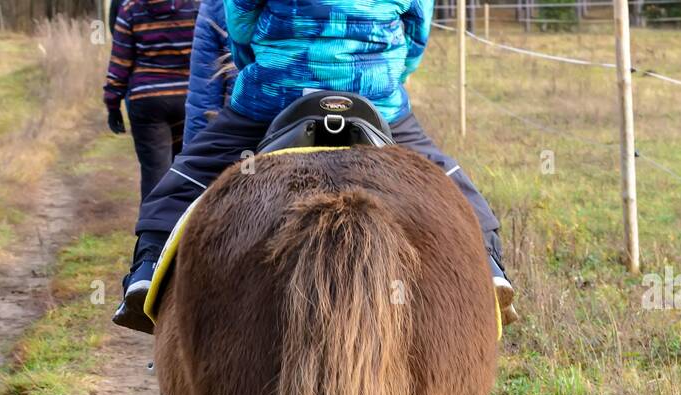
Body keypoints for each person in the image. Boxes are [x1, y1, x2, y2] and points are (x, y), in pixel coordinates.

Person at [112, 0, 514, 334]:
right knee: (450, 182)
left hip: (272, 98)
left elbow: (239, 22)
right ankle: (488, 264)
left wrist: (256, 61)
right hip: (378, 100)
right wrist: (391, 75)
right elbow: (417, 36)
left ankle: (147, 267)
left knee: (189, 173)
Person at [104, 0, 198, 203]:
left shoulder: (131, 8)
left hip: (147, 100)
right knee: (188, 172)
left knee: (155, 175)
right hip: (188, 97)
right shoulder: (196, 5)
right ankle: (185, 231)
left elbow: (120, 61)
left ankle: (152, 231)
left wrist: (113, 104)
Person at [183, 0, 236, 148]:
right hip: (301, 125)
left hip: (243, 133)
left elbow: (203, 98)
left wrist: (194, 157)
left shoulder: (217, 5)